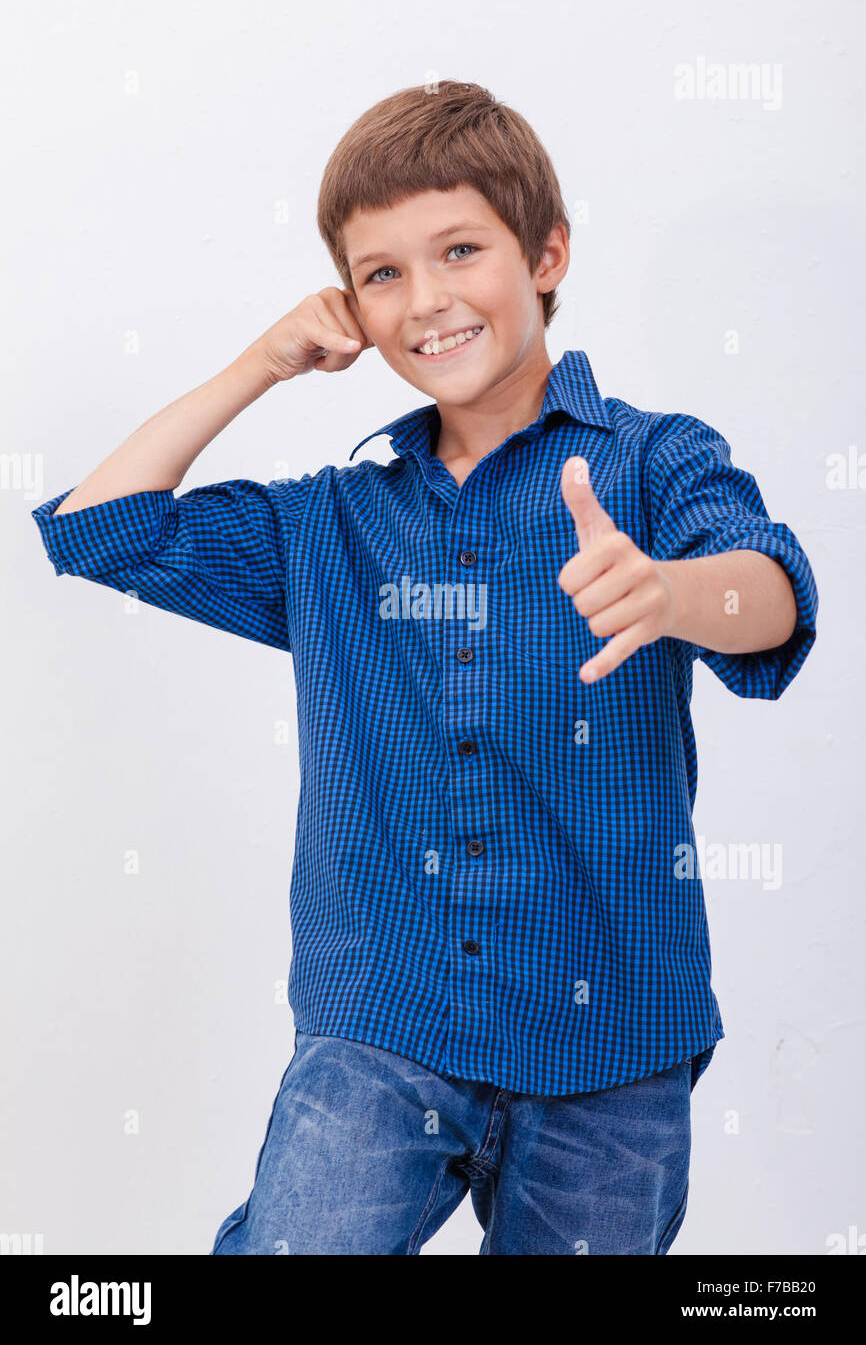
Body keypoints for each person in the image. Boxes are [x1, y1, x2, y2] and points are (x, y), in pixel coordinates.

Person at [30, 80, 818, 1255]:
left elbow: (772, 592)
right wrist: (260, 363)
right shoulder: (332, 523)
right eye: (381, 272)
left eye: (460, 249)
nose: (427, 299)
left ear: (545, 252)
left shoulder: (653, 461)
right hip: (383, 1026)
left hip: (614, 1037)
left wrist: (666, 591)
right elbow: (101, 528)